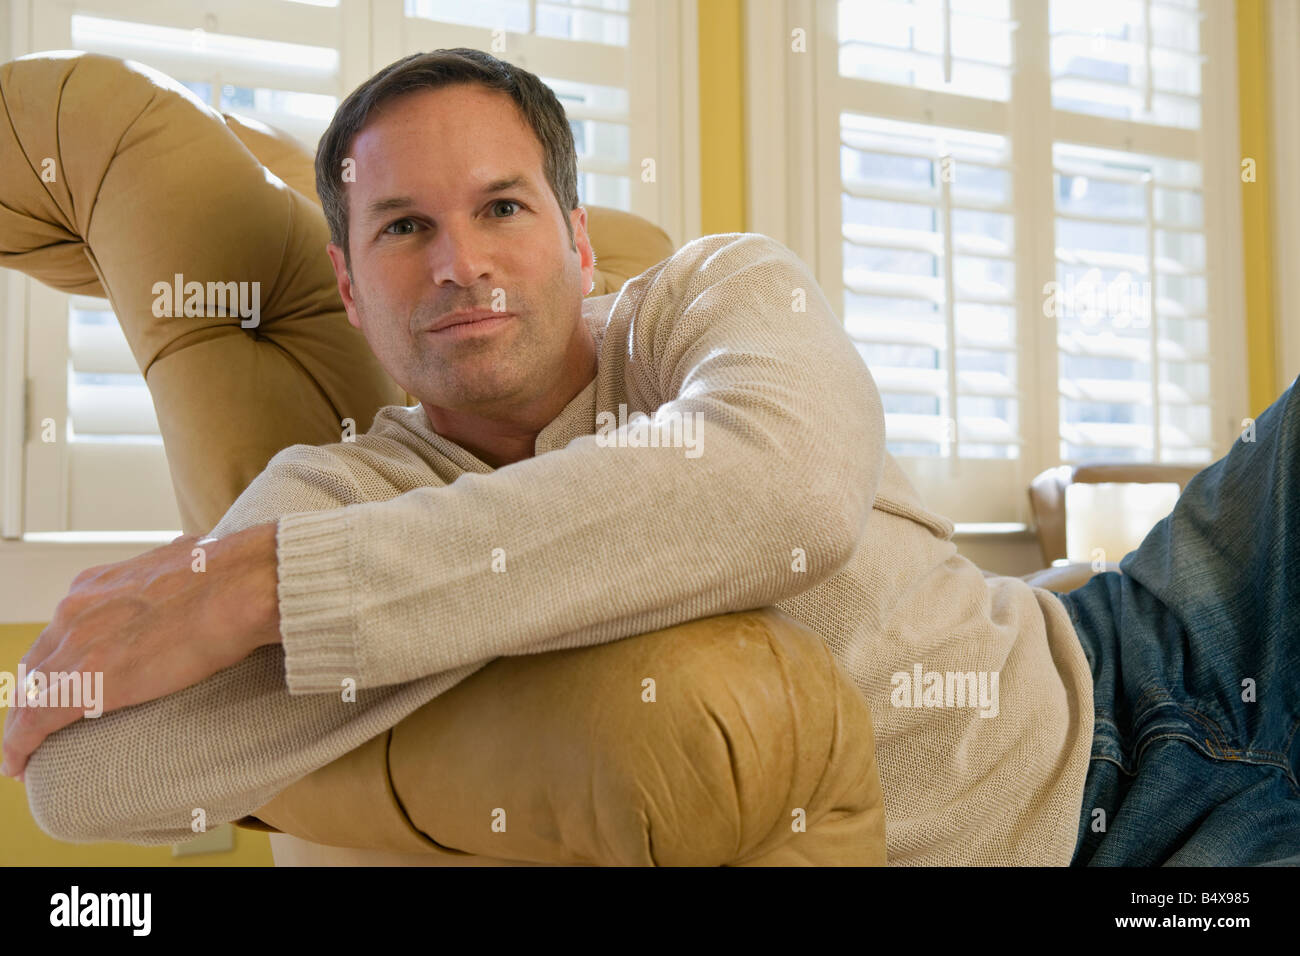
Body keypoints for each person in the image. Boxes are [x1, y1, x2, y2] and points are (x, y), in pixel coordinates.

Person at [1, 48, 1296, 866]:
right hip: (1119, 842)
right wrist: (326, 585)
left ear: (574, 237)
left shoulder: (704, 303)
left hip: (1151, 626)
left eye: (502, 207)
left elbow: (780, 483)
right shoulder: (349, 495)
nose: (462, 264)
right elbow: (82, 770)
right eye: (403, 227)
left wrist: (258, 590)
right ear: (345, 284)